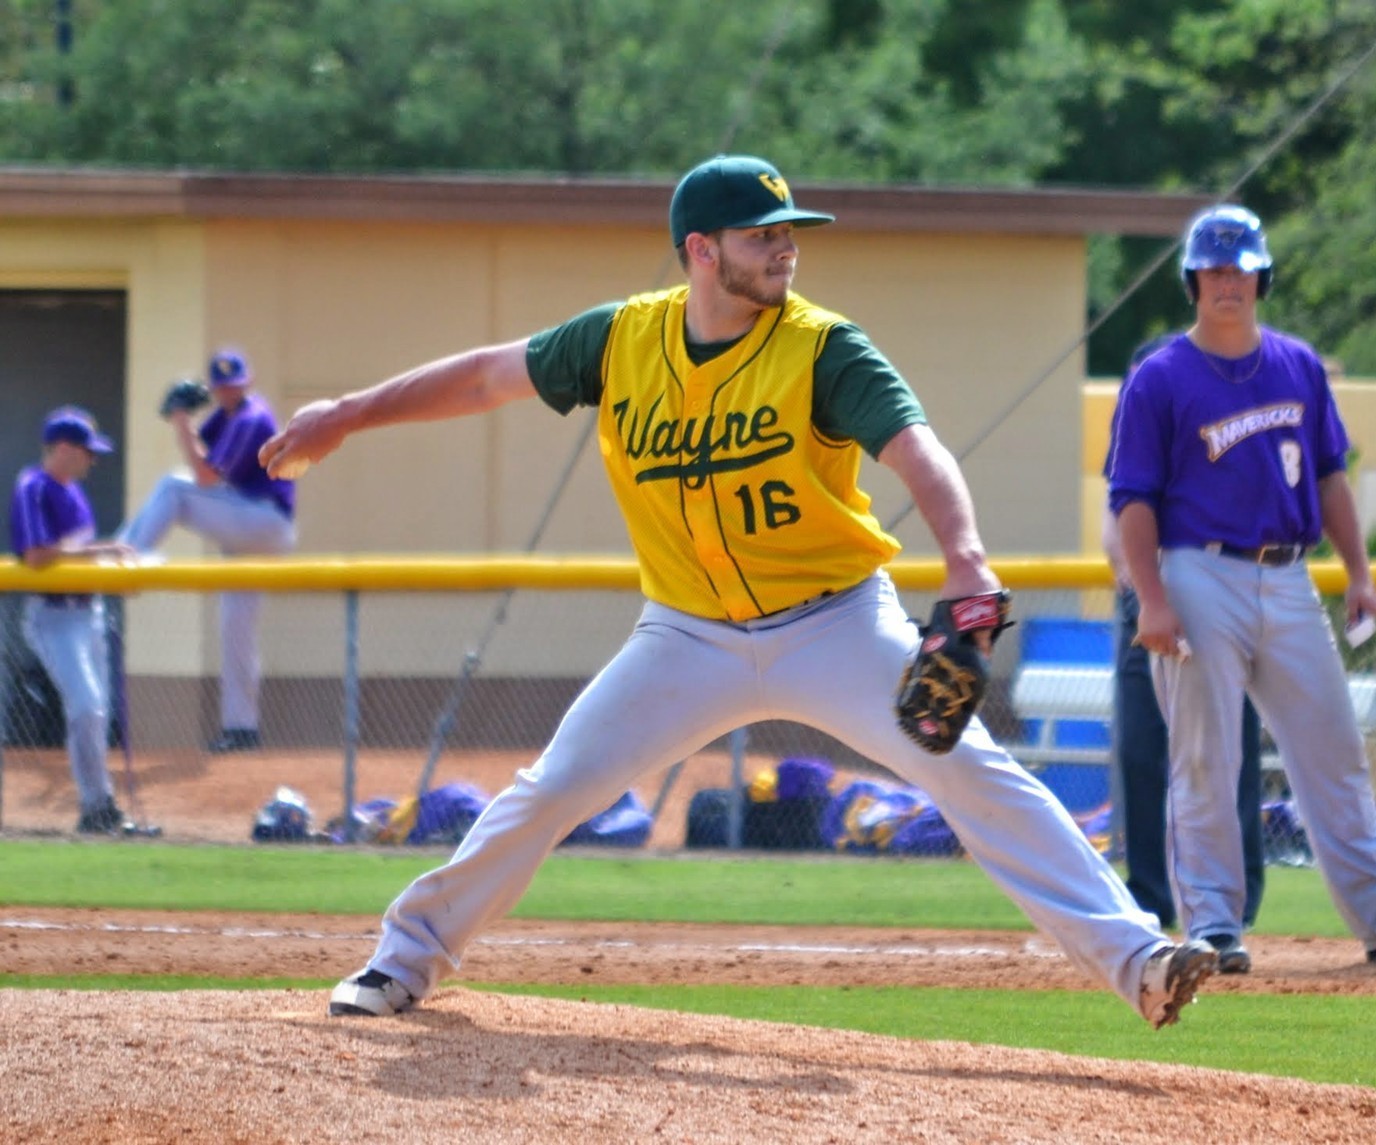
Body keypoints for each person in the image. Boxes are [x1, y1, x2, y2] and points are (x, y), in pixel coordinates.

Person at [261, 154, 1219, 1029]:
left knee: (968, 766)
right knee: (553, 787)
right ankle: (403, 961)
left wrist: (965, 556)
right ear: (702, 251)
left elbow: (915, 446)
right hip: (686, 637)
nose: (787, 248)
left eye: (790, 231)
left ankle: (1140, 957)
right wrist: (346, 414)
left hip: (835, 623)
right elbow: (480, 378)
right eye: (765, 235)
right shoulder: (623, 339)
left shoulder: (824, 348)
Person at [1106, 203, 1376, 971]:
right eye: (1213, 268)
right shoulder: (1160, 377)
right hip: (1196, 566)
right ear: (1192, 281)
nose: (1228, 281)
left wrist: (1360, 572)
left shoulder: (1297, 364)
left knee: (1334, 746)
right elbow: (1131, 497)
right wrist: (1152, 595)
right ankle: (1212, 925)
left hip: (1288, 572)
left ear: (1262, 276)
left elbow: (1331, 475)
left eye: (1240, 267)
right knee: (1206, 756)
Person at [1101, 334, 1266, 957]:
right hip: (1149, 601)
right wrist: (1145, 594)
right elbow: (1112, 518)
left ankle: (1238, 896)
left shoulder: (1215, 436)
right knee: (1144, 750)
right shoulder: (1130, 439)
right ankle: (1148, 894)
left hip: (1217, 597)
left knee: (1228, 748)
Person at [119, 349, 296, 753]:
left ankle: (124, 556)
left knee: (174, 487)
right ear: (216, 388)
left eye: (235, 384)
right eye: (222, 386)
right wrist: (189, 420)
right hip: (247, 531)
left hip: (264, 522)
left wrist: (180, 417)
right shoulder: (227, 415)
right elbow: (208, 455)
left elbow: (203, 475)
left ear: (247, 382)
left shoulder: (251, 417)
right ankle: (242, 729)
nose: (229, 391)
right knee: (236, 630)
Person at [8, 407, 145, 834]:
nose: (93, 460)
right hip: (54, 617)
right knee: (85, 708)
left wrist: (111, 570)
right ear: (64, 448)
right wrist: (101, 551)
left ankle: (100, 808)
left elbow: (76, 556)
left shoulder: (74, 492)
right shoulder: (33, 486)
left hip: (90, 613)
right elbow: (35, 556)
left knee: (97, 713)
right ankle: (96, 805)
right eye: (88, 452)